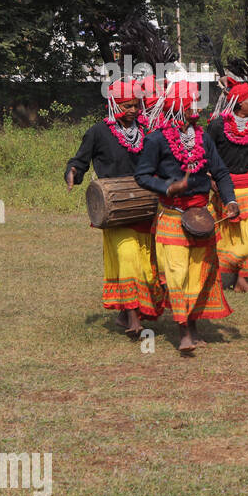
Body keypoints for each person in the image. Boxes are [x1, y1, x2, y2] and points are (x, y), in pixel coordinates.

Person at [135, 80, 239, 353]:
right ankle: (183, 331)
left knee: (198, 274)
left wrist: (230, 200)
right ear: (177, 107)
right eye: (191, 103)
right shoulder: (156, 139)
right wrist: (168, 187)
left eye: (196, 103)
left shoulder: (203, 138)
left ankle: (192, 325)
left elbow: (221, 173)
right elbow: (142, 175)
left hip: (201, 216)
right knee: (177, 274)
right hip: (172, 215)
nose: (196, 108)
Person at [65, 77, 162, 337]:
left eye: (135, 105)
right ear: (113, 104)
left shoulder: (147, 131)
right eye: (126, 105)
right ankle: (133, 319)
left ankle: (124, 313)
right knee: (129, 257)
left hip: (144, 206)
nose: (132, 110)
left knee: (144, 262)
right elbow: (80, 159)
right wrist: (73, 171)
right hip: (116, 208)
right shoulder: (98, 132)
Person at [206, 78, 248, 292]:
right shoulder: (217, 126)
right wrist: (210, 180)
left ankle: (243, 276)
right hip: (226, 190)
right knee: (232, 237)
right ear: (239, 102)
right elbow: (205, 156)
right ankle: (239, 280)